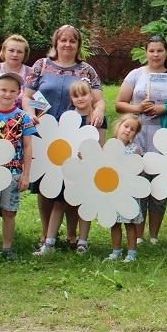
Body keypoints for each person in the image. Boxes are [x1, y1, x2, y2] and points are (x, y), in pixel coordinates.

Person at [25, 24, 106, 250]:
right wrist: (31, 114)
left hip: (75, 133)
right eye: (63, 40)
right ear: (56, 42)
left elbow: (98, 98)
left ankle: (72, 234)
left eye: (72, 41)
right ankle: (45, 233)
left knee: (71, 182)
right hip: (46, 131)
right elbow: (28, 94)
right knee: (44, 184)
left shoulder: (86, 70)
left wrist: (99, 109)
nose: (67, 44)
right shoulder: (41, 65)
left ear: (78, 45)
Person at [115, 36, 167, 246]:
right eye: (151, 51)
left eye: (159, 51)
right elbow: (119, 104)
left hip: (164, 137)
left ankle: (154, 234)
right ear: (146, 52)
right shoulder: (136, 74)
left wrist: (165, 108)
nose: (155, 55)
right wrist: (137, 108)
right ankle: (137, 234)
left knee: (158, 187)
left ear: (166, 52)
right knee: (138, 183)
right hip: (137, 135)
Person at [35, 80, 105, 256]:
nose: (80, 98)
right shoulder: (66, 117)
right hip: (66, 169)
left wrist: (89, 156)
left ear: (91, 96)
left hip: (87, 169)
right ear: (71, 98)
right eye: (76, 95)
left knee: (85, 205)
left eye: (84, 94)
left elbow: (101, 144)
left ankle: (82, 242)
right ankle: (49, 243)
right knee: (59, 203)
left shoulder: (97, 119)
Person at [0, 72, 38, 264]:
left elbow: (28, 147)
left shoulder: (23, 118)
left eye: (12, 91)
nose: (7, 94)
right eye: (3, 90)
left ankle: (7, 247)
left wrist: (26, 175)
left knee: (10, 212)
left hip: (14, 173)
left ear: (19, 94)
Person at [104, 114, 145, 262]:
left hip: (128, 193)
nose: (128, 130)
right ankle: (116, 251)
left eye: (132, 129)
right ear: (118, 126)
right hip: (113, 191)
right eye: (126, 126)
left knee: (129, 223)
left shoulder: (135, 149)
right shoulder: (109, 145)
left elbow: (138, 169)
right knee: (114, 223)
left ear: (135, 134)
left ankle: (132, 252)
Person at [0, 35, 31, 108]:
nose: (15, 54)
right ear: (4, 51)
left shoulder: (32, 74)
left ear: (25, 54)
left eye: (19, 52)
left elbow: (42, 105)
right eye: (11, 50)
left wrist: (27, 105)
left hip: (21, 118)